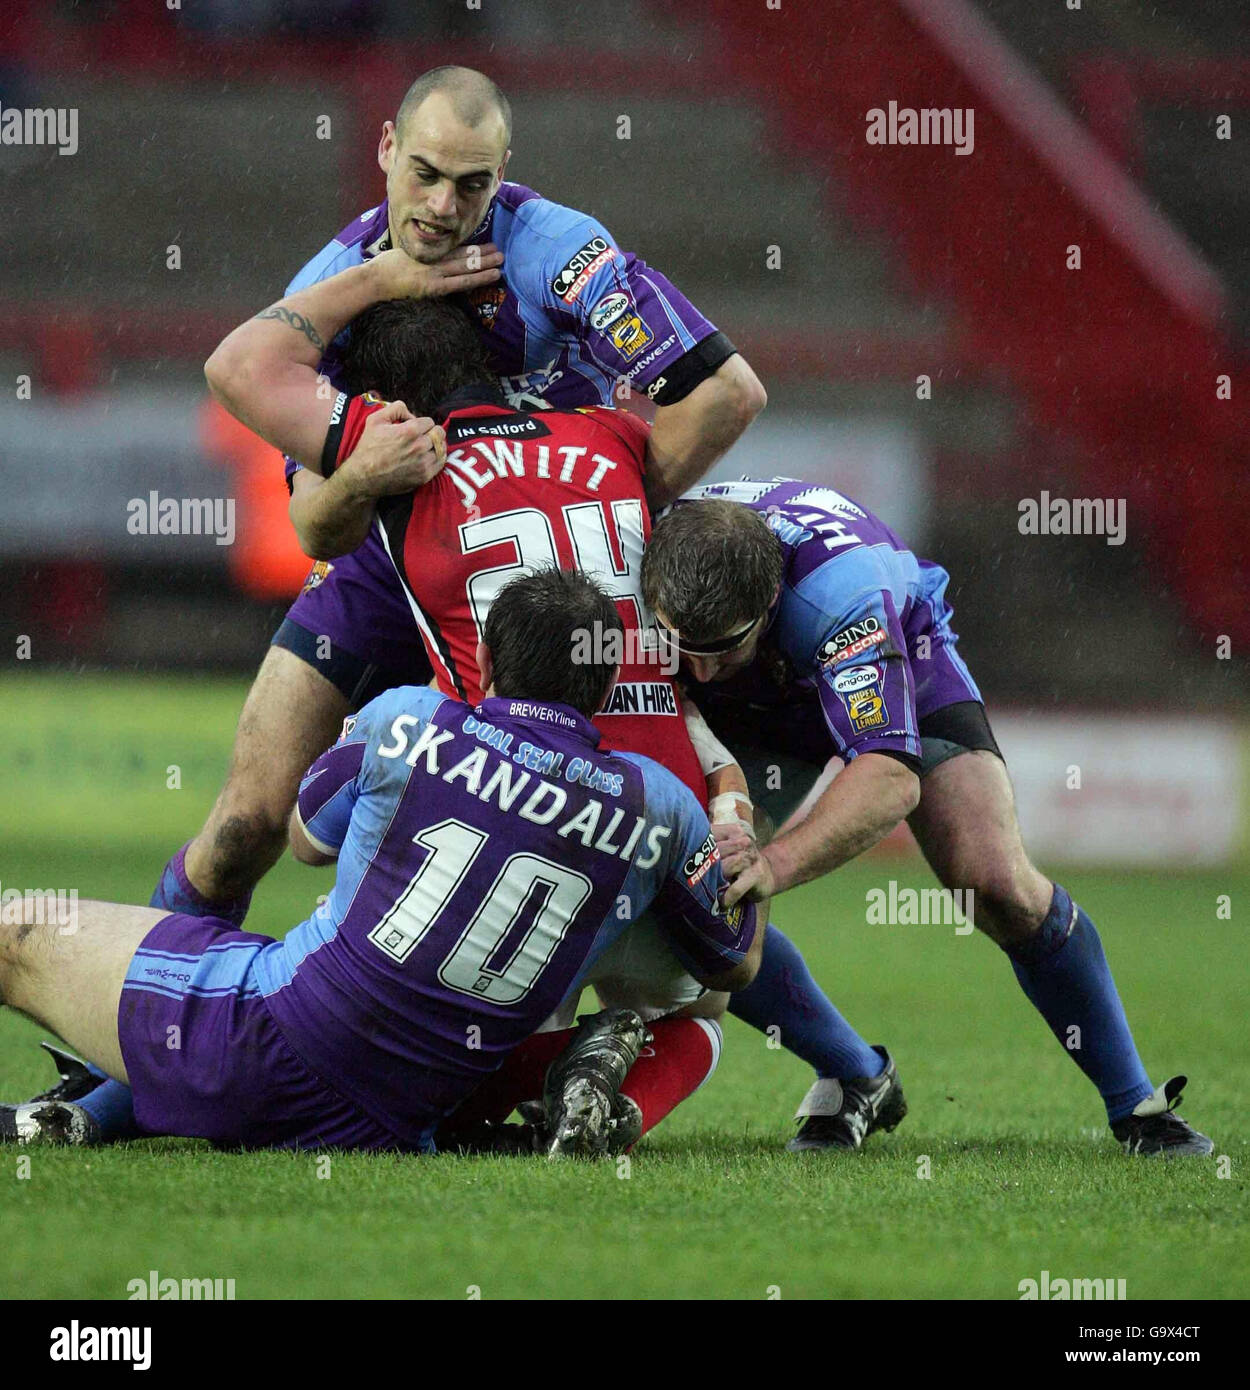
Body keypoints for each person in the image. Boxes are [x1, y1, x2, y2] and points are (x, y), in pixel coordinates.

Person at [162, 63, 766, 920]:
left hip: (547, 583)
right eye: (427, 175)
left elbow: (725, 392)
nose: (445, 207)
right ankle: (143, 1043)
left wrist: (596, 497)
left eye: (473, 184)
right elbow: (316, 527)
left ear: (505, 170)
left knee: (620, 836)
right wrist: (368, 462)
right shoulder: (328, 288)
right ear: (385, 149)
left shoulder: (561, 252)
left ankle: (844, 1059)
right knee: (248, 822)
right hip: (388, 557)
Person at [0, 570, 760, 1155]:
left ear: (487, 658)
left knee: (14, 932)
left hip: (262, 1039)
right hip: (403, 1118)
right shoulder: (656, 804)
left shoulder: (408, 717)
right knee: (699, 1009)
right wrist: (732, 808)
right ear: (601, 688)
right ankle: (85, 1109)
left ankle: (98, 1093)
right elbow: (734, 965)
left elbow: (302, 841)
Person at [639, 478, 1214, 1157]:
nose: (701, 672)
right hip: (753, 707)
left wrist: (775, 862)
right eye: (683, 648)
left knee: (994, 881)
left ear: (768, 602)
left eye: (723, 647)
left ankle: (1138, 1106)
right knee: (707, 902)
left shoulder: (841, 593)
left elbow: (888, 779)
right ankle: (858, 1077)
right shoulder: (642, 554)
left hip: (902, 658)